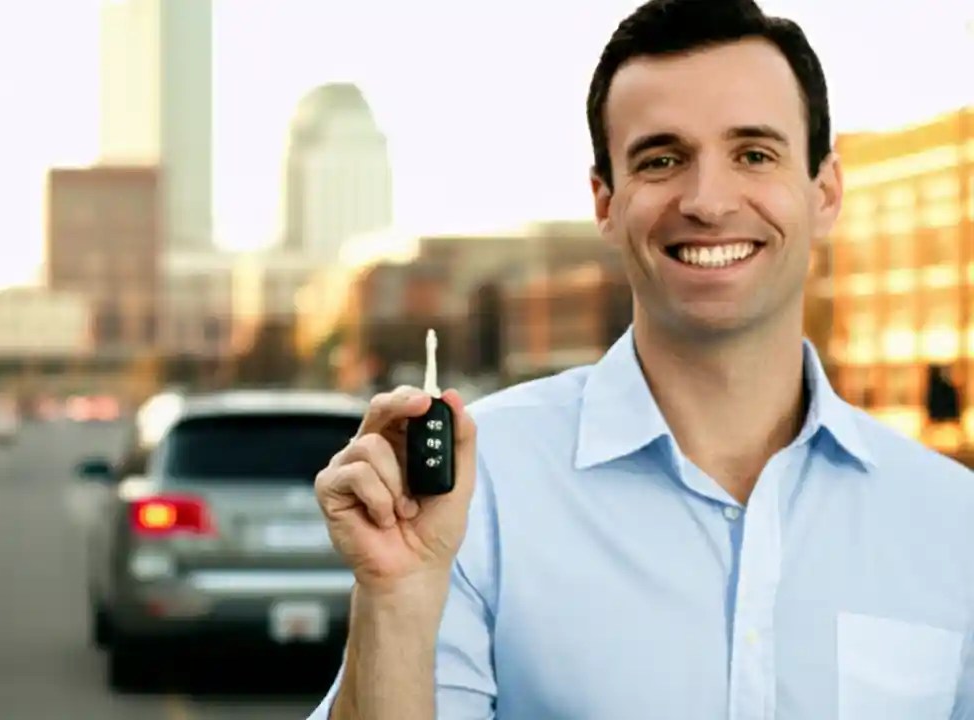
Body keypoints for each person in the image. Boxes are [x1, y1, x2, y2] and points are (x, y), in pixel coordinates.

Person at [307, 0, 974, 717]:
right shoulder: (472, 494)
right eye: (662, 160)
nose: (708, 202)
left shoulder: (952, 522)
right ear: (605, 203)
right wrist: (396, 602)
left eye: (754, 154)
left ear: (825, 192)